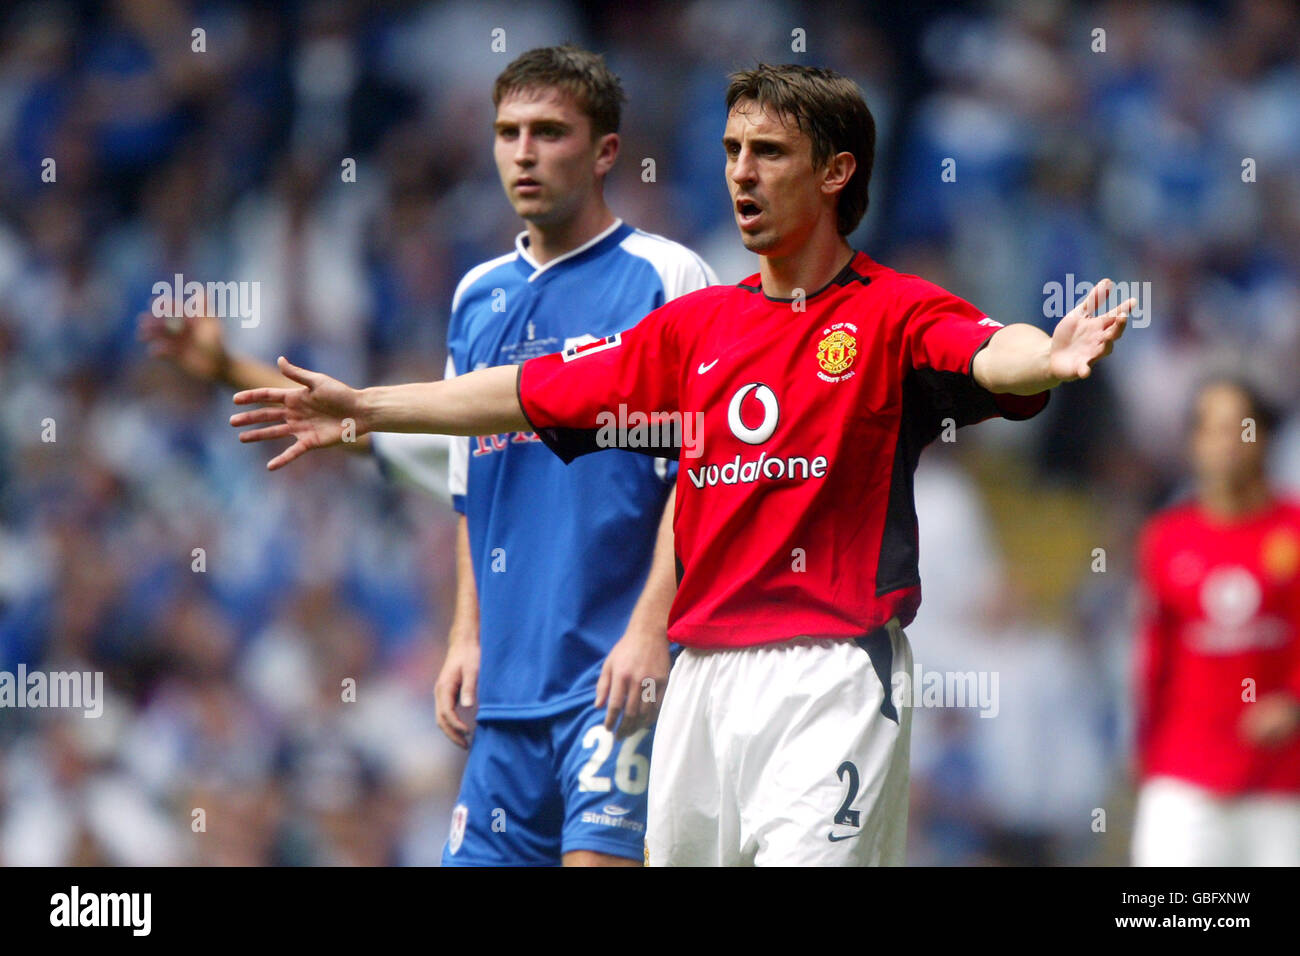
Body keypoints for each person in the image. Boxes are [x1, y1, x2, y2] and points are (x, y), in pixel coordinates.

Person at [229, 63, 1131, 866]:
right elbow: (523, 393)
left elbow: (986, 351)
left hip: (830, 673)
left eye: (769, 151)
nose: (740, 170)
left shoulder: (892, 312)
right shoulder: (697, 328)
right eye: (733, 147)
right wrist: (364, 406)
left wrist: (1046, 354)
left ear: (836, 171)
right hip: (701, 682)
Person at [146, 45, 717, 867]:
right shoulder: (477, 296)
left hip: (612, 683)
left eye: (549, 132)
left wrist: (649, 630)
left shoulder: (665, 276)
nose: (523, 152)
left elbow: (702, 468)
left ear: (604, 152)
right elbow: (460, 477)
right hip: (509, 700)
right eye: (508, 132)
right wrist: (464, 638)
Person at [1131, 377, 1300, 866]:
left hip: (1281, 782)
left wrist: (1292, 702)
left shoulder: (1292, 531)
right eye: (1212, 429)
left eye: (1238, 428)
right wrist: (1142, 744)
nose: (1226, 442)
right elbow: (1153, 651)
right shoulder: (1166, 539)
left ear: (1264, 436)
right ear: (1193, 443)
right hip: (1183, 776)